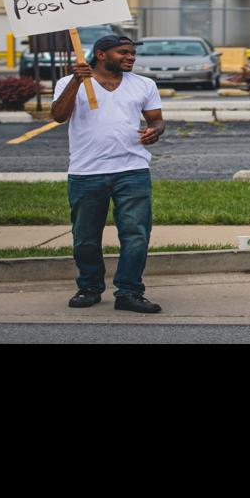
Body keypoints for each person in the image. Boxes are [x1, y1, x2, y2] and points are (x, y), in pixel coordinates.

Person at [53, 34, 167, 313]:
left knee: (136, 234)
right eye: (123, 52)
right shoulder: (70, 83)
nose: (131, 57)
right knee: (86, 236)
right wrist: (77, 82)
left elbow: (157, 120)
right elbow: (58, 115)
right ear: (101, 54)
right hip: (87, 171)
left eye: (132, 53)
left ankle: (129, 291)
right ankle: (89, 287)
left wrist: (156, 132)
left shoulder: (143, 84)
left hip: (132, 170)